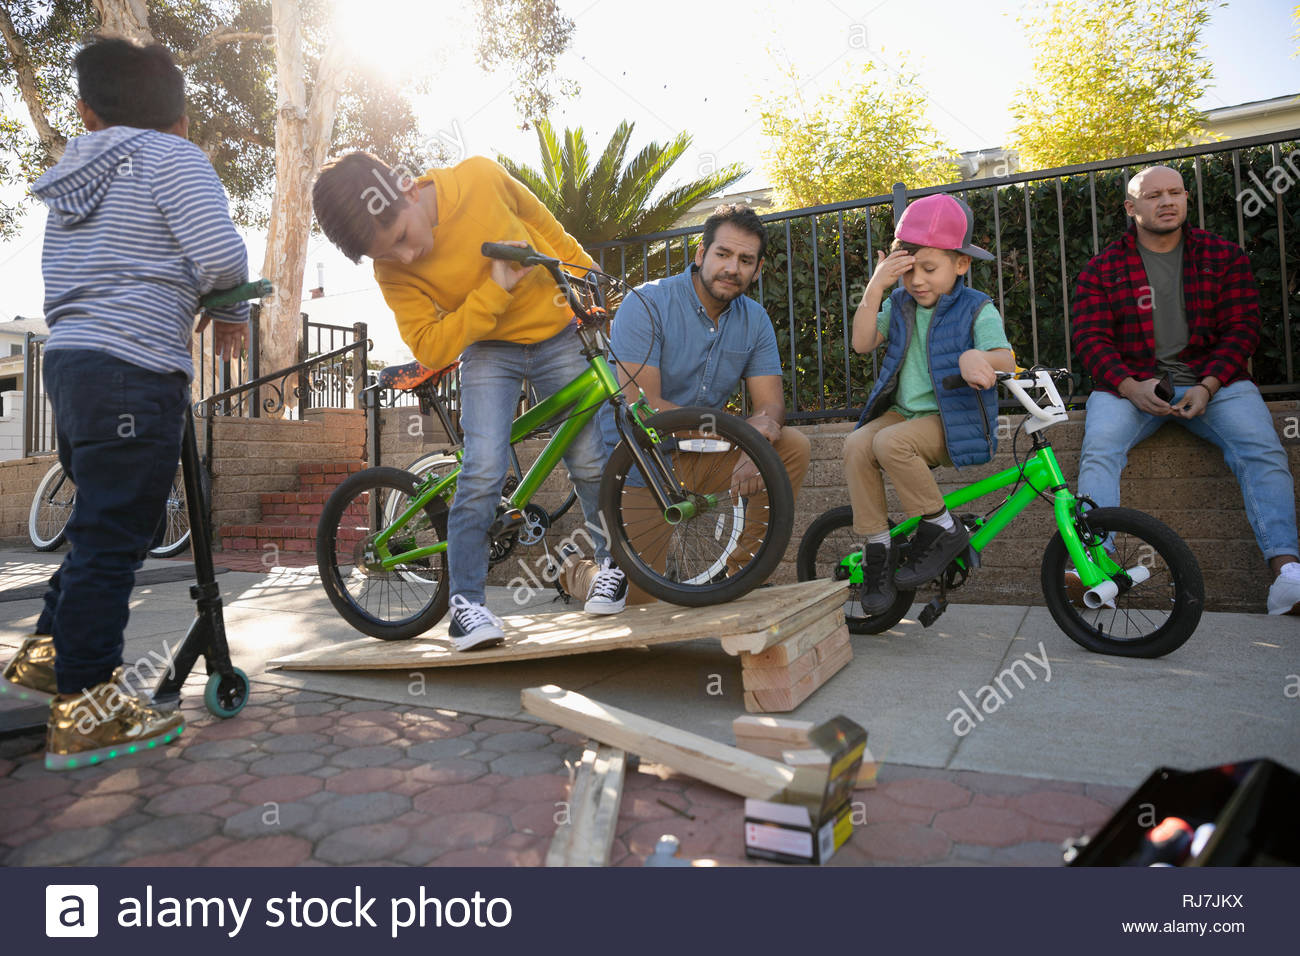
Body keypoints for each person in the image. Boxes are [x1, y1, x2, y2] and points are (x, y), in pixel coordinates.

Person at [0, 38, 250, 770]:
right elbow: (222, 257)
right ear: (180, 118)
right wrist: (229, 310)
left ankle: (51, 657)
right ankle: (87, 711)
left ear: (85, 111)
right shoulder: (174, 157)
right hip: (134, 369)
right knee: (115, 538)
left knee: (99, 528)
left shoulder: (73, 175)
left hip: (73, 365)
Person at [311, 153, 626, 649]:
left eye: (400, 237)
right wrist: (494, 290)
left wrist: (587, 275)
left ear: (408, 189)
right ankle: (467, 607)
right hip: (488, 351)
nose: (405, 258)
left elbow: (544, 224)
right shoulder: (392, 271)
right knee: (483, 469)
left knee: (588, 460)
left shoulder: (481, 177)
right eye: (386, 254)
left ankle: (611, 567)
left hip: (559, 336)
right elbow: (431, 346)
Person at [1071, 164, 1300, 616]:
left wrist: (1209, 385)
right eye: (1154, 195)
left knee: (1261, 449)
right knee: (1099, 449)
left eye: (1175, 192)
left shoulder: (1223, 256)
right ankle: (1094, 569)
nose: (1167, 201)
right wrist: (1128, 385)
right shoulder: (1103, 268)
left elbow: (1242, 328)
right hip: (1131, 384)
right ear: (1131, 208)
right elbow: (1090, 338)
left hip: (1215, 381)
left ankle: (1287, 574)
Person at [559, 203, 811, 605]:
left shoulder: (755, 319)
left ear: (758, 269)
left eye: (745, 260)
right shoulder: (647, 303)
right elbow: (645, 409)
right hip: (642, 460)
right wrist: (743, 436)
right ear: (701, 254)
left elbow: (770, 405)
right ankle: (576, 569)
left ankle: (741, 576)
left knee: (791, 446)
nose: (732, 268)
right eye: (723, 254)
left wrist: (760, 438)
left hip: (703, 451)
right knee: (638, 600)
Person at [843, 194, 1015, 617]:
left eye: (929, 269)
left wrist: (976, 357)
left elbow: (1005, 360)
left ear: (961, 264)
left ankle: (941, 527)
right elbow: (861, 342)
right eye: (908, 270)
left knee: (890, 443)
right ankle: (879, 547)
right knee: (856, 444)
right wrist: (876, 286)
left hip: (952, 418)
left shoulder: (977, 308)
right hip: (904, 415)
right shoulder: (898, 304)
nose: (917, 280)